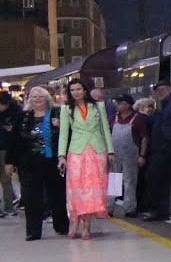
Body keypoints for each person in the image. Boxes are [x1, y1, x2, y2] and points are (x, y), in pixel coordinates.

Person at [57, 78, 115, 239]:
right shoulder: (66, 109)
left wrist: (110, 151)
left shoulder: (98, 106)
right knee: (76, 189)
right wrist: (61, 156)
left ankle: (87, 226)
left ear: (85, 90)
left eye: (78, 89)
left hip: (97, 151)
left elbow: (105, 129)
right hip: (76, 151)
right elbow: (63, 134)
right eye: (73, 90)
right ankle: (74, 221)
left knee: (93, 189)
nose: (76, 93)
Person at [12, 87, 68, 240]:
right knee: (31, 199)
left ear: (47, 98)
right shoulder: (23, 117)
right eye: (34, 97)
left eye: (40, 97)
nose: (37, 99)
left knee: (57, 196)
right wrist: (12, 162)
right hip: (29, 164)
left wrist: (61, 125)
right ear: (30, 100)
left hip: (53, 162)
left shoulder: (57, 113)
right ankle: (33, 231)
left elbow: (69, 134)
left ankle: (62, 226)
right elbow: (15, 141)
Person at [139, 81, 171, 222]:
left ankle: (159, 211)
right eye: (158, 91)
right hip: (161, 148)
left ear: (167, 89)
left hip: (166, 148)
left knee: (157, 178)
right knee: (158, 179)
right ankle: (159, 211)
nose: (159, 94)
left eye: (161, 91)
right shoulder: (166, 105)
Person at [109, 94, 148, 217]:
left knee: (129, 181)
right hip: (114, 155)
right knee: (113, 181)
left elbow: (145, 138)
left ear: (127, 105)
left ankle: (130, 208)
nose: (117, 105)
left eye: (120, 103)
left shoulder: (137, 119)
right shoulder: (113, 118)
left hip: (130, 155)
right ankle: (109, 208)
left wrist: (142, 155)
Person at [0, 90, 21, 217]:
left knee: (6, 179)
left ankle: (8, 206)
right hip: (5, 148)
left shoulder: (15, 113)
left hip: (6, 150)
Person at [134, 97, 156, 212]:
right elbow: (145, 138)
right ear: (142, 107)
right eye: (149, 107)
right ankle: (141, 206)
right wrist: (143, 155)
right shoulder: (147, 120)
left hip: (131, 152)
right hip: (144, 153)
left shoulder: (133, 119)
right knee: (142, 181)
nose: (151, 110)